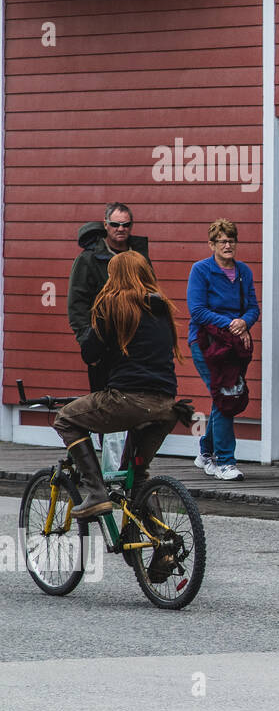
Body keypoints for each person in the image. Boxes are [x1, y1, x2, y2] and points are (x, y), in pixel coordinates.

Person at [54, 251, 185, 531]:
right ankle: (164, 546)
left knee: (65, 418)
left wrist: (93, 326)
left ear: (116, 277)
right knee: (137, 477)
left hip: (128, 400)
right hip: (167, 407)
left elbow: (90, 353)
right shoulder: (162, 308)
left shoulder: (112, 305)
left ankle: (96, 492)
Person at [187, 219, 259, 481]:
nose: (228, 245)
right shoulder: (201, 270)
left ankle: (206, 451)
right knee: (226, 397)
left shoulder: (243, 272)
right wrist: (230, 323)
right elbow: (197, 310)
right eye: (222, 241)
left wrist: (244, 322)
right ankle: (225, 462)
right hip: (206, 343)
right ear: (212, 244)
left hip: (233, 346)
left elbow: (253, 307)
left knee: (225, 396)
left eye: (232, 240)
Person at [68, 202, 152, 389]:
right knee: (104, 410)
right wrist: (90, 345)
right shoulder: (88, 259)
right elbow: (77, 305)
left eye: (125, 224)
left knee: (136, 409)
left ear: (131, 225)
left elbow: (151, 296)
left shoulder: (140, 257)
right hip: (104, 348)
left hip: (138, 349)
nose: (120, 229)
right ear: (105, 225)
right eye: (115, 224)